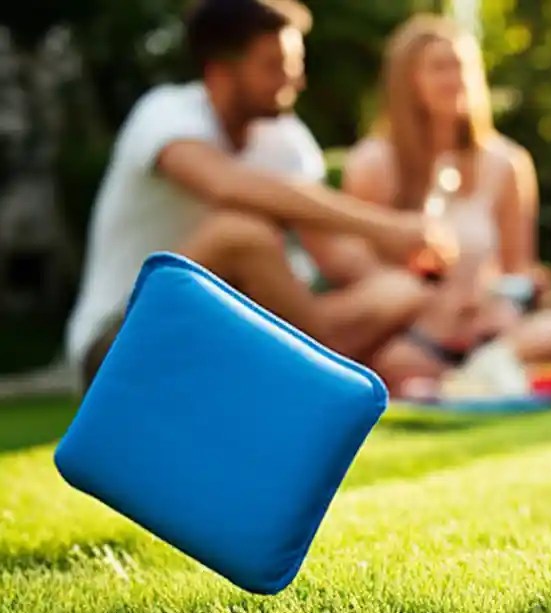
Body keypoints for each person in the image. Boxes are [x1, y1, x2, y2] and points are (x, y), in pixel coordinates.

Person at [64, 0, 453, 394]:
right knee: (240, 235)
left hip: (225, 341)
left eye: (295, 64)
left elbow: (335, 256)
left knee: (399, 291)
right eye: (275, 66)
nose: (295, 81)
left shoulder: (285, 140)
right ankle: (329, 382)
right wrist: (384, 227)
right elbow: (226, 185)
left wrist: (421, 284)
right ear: (221, 70)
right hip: (120, 344)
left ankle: (337, 366)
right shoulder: (165, 114)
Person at [341, 13, 551, 396]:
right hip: (414, 333)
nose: (455, 78)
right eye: (439, 67)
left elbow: (518, 266)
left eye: (462, 66)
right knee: (393, 361)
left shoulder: (507, 163)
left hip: (489, 328)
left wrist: (500, 300)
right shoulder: (372, 163)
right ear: (407, 81)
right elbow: (357, 270)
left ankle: (474, 376)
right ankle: (470, 382)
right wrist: (428, 307)